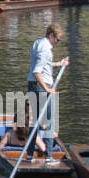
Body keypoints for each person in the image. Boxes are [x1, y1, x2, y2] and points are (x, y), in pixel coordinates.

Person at [27, 25, 68, 157]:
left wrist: (57, 64)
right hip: (41, 87)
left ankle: (29, 155)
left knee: (35, 121)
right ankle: (49, 157)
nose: (58, 43)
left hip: (33, 85)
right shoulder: (45, 48)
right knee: (50, 121)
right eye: (57, 40)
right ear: (51, 35)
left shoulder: (38, 43)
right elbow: (37, 71)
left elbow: (42, 63)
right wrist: (47, 89)